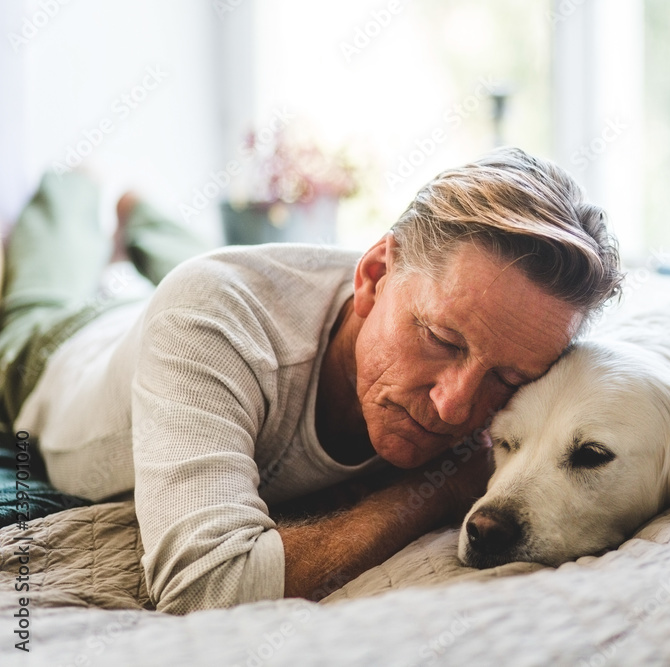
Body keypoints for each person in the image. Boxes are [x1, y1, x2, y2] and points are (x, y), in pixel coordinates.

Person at [0, 147, 622, 614]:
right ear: (376, 275)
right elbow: (205, 588)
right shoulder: (210, 312)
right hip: (61, 354)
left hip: (227, 308)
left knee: (208, 277)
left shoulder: (467, 316)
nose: (456, 408)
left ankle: (145, 219)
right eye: (441, 339)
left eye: (509, 378)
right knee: (38, 297)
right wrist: (433, 493)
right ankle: (77, 184)